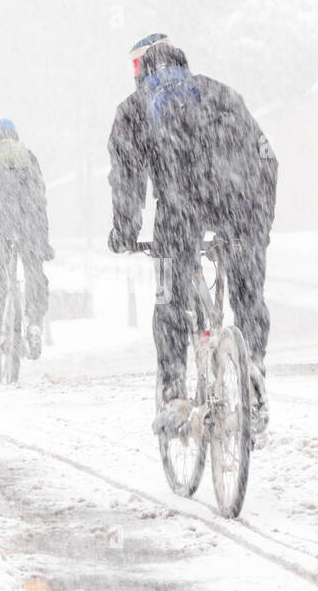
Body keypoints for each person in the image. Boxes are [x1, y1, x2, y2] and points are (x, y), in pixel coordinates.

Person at [107, 35, 277, 436]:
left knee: (169, 297)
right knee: (249, 292)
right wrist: (259, 227)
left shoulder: (134, 110)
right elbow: (266, 156)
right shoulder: (221, 93)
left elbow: (126, 179)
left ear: (141, 71)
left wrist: (126, 232)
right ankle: (251, 362)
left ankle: (172, 393)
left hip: (181, 208)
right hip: (243, 201)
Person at [0, 119, 53, 360]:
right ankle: (34, 322)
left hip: (3, 221)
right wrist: (44, 242)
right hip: (31, 223)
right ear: (15, 137)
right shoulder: (27, 155)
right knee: (35, 270)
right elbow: (40, 198)